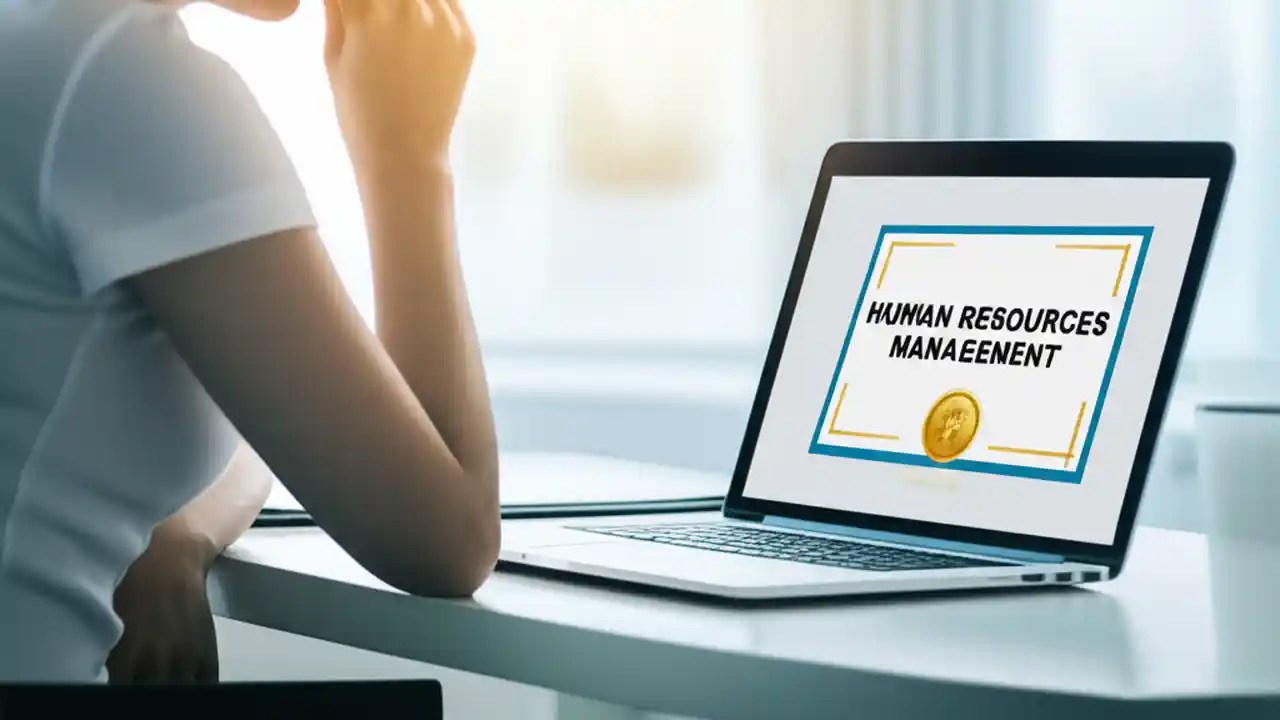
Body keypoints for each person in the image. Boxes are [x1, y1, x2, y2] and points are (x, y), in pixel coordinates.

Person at [0, 0, 498, 684]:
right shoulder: (124, 75)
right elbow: (449, 542)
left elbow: (263, 417)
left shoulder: (35, 35)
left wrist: (182, 527)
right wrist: (408, 157)